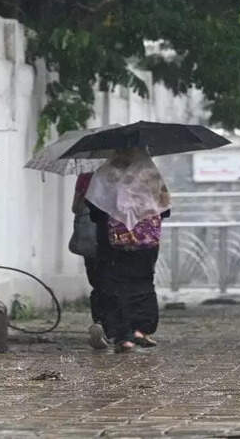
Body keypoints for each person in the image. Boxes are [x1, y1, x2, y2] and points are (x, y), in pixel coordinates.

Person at [86, 148, 171, 353]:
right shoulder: (151, 176)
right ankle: (142, 329)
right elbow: (165, 210)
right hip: (146, 243)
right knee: (144, 281)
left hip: (112, 243)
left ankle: (123, 336)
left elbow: (95, 212)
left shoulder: (105, 175)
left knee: (115, 286)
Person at [72, 172, 110, 350]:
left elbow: (75, 208)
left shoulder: (85, 177)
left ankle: (100, 322)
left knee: (97, 283)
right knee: (114, 281)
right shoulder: (122, 173)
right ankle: (113, 327)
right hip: (113, 237)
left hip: (90, 238)